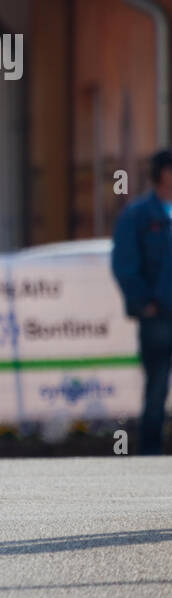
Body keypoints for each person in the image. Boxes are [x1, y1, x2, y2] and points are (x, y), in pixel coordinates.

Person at [111, 148, 172, 454]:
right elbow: (124, 264)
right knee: (157, 389)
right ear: (164, 173)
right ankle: (150, 456)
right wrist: (143, 303)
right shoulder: (138, 216)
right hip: (159, 317)